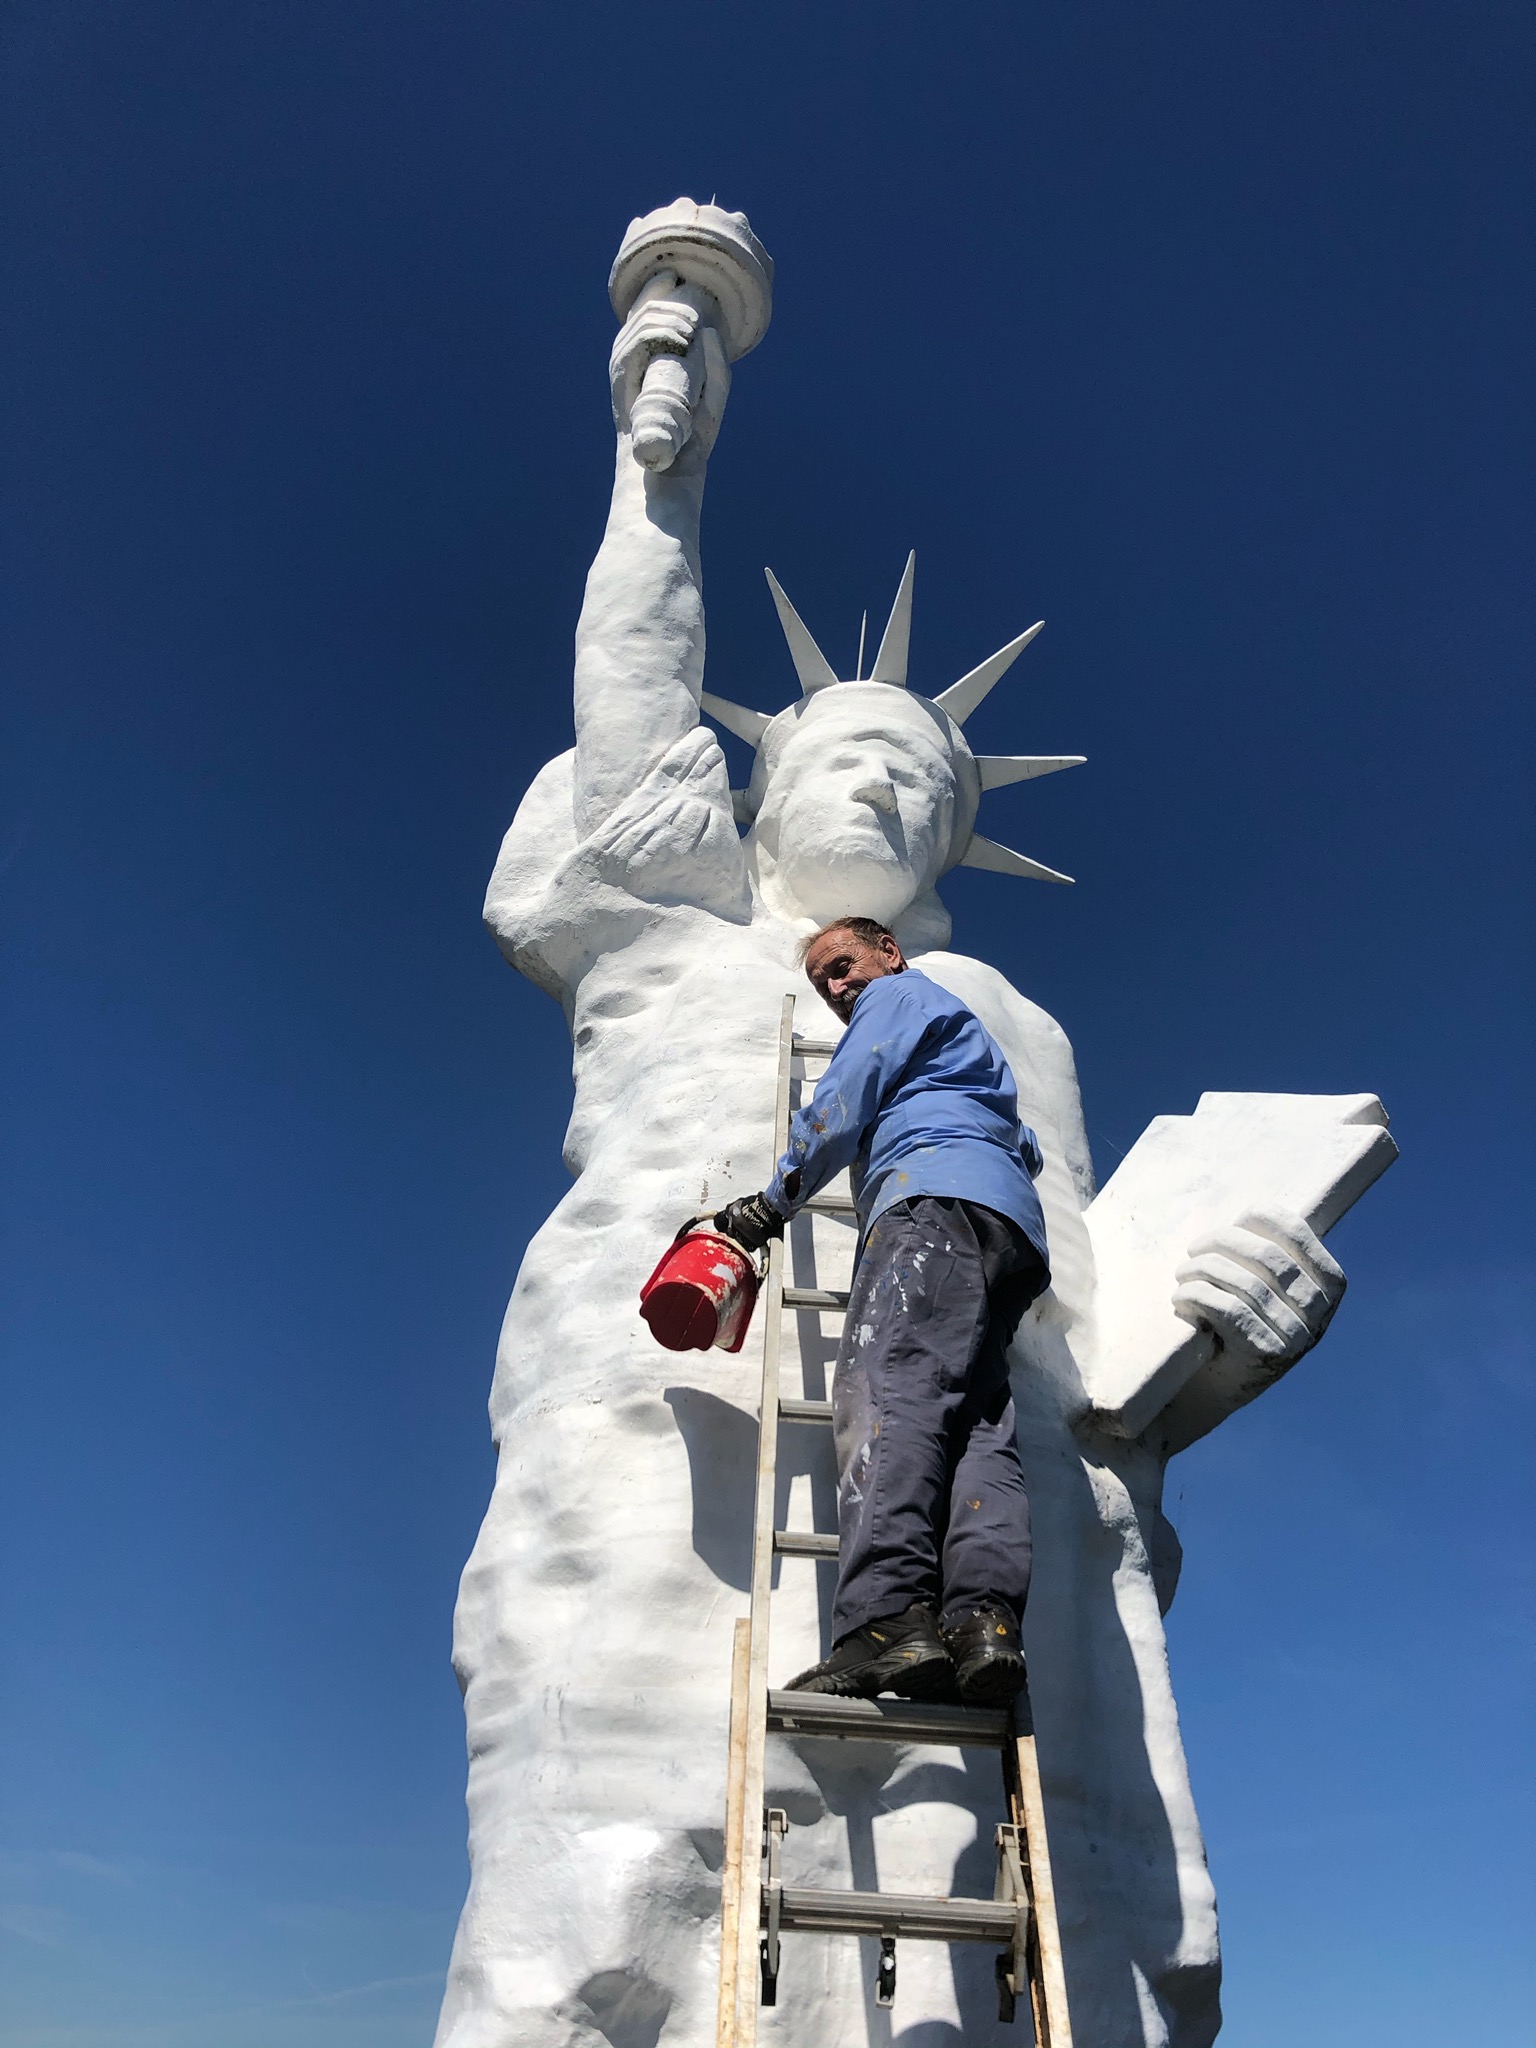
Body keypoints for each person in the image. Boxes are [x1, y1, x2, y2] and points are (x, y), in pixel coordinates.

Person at [713, 914, 1051, 1707]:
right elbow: (1024, 1144)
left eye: (843, 964)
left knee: (889, 1395)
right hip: (1005, 1225)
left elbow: (850, 1085)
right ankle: (982, 1623)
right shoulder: (966, 1055)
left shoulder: (898, 998)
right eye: (824, 979)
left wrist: (774, 1203)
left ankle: (888, 1617)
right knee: (975, 1425)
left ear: (888, 951)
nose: (837, 987)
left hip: (930, 1206)